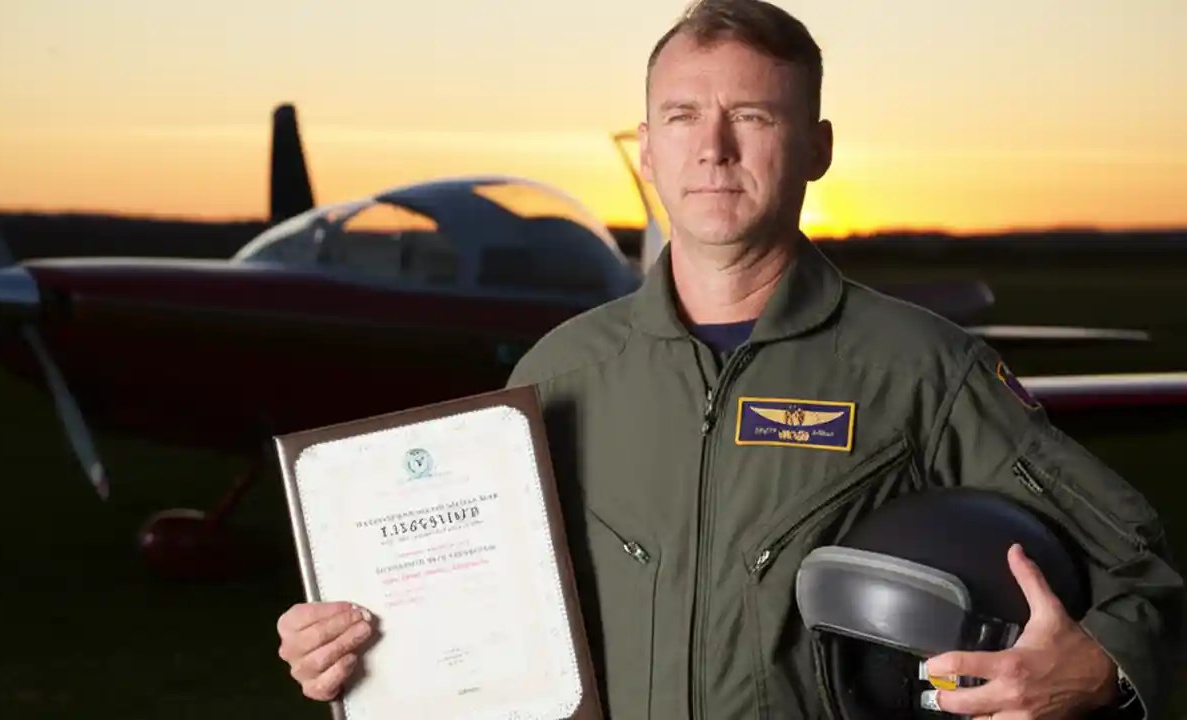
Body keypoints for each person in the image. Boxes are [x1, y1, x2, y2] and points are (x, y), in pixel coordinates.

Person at [275, 1, 1183, 717]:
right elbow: (485, 625)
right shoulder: (556, 374)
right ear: (651, 146)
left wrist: (1099, 669)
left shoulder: (921, 369)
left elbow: (1140, 567)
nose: (712, 149)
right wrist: (355, 647)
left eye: (751, 115)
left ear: (817, 148)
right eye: (682, 117)